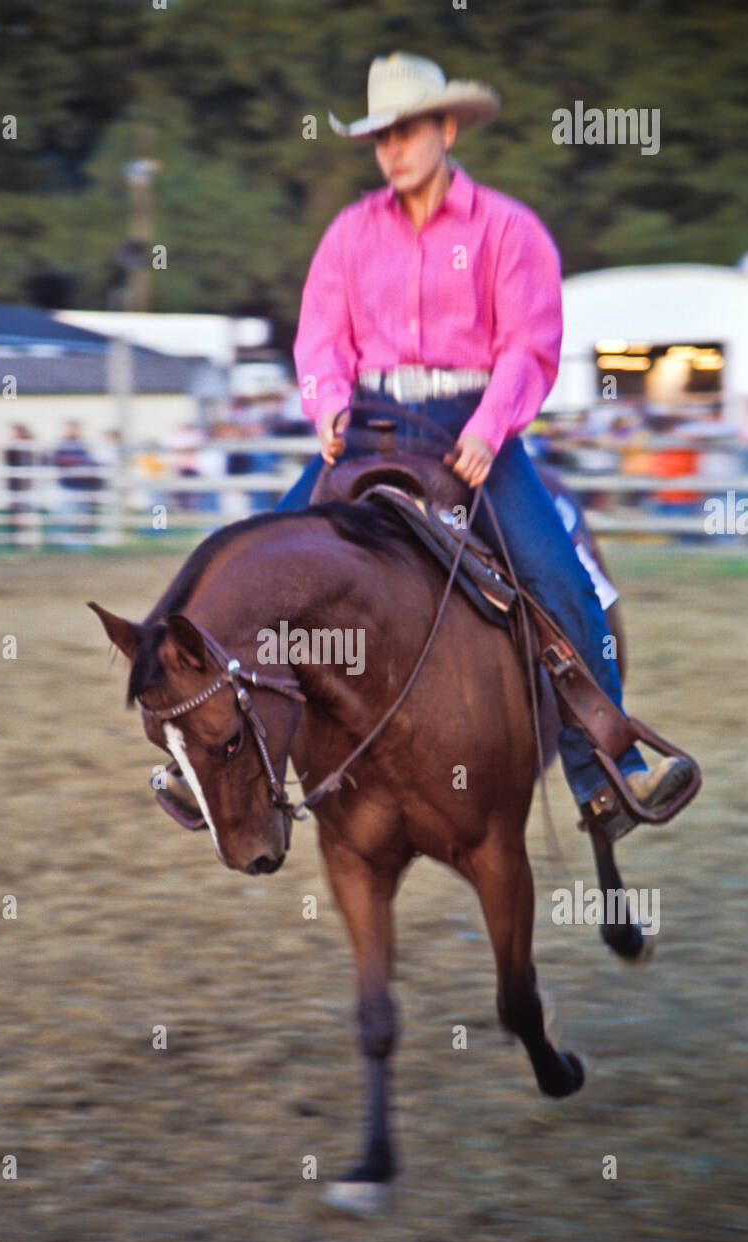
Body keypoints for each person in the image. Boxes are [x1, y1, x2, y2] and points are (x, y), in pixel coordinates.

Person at [276, 51, 692, 832]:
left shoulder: (509, 229)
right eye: (379, 137)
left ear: (444, 128)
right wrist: (327, 406)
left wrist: (488, 427)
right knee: (257, 556)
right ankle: (231, 754)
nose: (391, 149)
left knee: (556, 578)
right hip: (366, 423)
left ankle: (611, 767)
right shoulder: (347, 235)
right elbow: (320, 341)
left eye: (404, 131)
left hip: (473, 426)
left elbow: (529, 346)